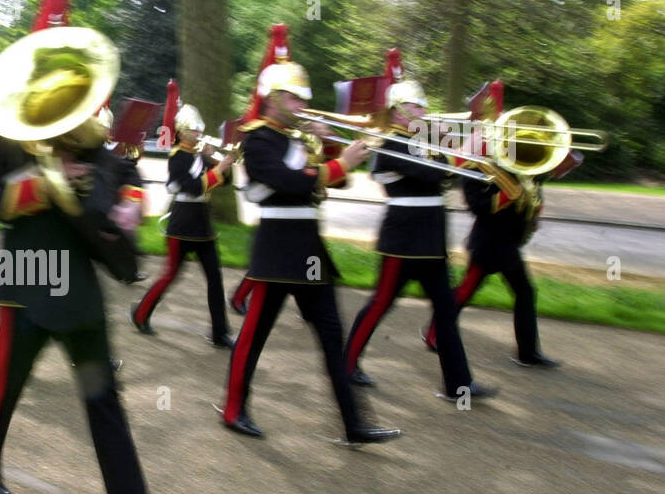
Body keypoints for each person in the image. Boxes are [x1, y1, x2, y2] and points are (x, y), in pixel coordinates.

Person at [0, 21, 188, 494]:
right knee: (7, 385)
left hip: (78, 285)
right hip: (23, 277)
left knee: (102, 394)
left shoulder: (84, 136)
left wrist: (125, 200)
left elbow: (123, 177)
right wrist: (39, 185)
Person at [221, 59, 401, 444]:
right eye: (292, 97)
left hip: (309, 250)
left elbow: (339, 181)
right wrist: (333, 165)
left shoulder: (301, 140)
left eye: (303, 97)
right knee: (254, 335)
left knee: (332, 335)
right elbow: (284, 181)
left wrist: (331, 141)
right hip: (277, 251)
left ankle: (353, 423)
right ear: (272, 99)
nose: (301, 103)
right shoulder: (257, 138)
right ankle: (235, 409)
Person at [342, 79, 498, 401]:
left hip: (430, 238)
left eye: (422, 106)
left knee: (444, 311)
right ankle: (345, 365)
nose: (423, 111)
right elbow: (435, 173)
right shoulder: (392, 142)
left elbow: (445, 173)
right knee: (380, 303)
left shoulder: (419, 141)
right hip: (403, 239)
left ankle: (458, 385)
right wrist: (457, 148)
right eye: (414, 106)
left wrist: (447, 143)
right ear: (397, 113)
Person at [130, 80, 235, 347]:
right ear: (180, 131)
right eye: (192, 129)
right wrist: (216, 168)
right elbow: (188, 186)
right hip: (182, 225)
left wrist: (222, 163)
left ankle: (220, 333)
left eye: (199, 128)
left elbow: (226, 180)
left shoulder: (201, 155)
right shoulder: (178, 156)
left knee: (215, 279)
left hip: (203, 226)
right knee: (169, 275)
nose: (198, 132)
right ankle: (141, 314)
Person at [423, 172, 560, 368]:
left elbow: (534, 191)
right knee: (463, 294)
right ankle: (433, 335)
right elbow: (479, 206)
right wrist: (510, 194)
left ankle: (528, 353)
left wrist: (532, 208)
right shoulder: (476, 171)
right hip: (487, 245)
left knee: (525, 291)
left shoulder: (520, 170)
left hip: (508, 244)